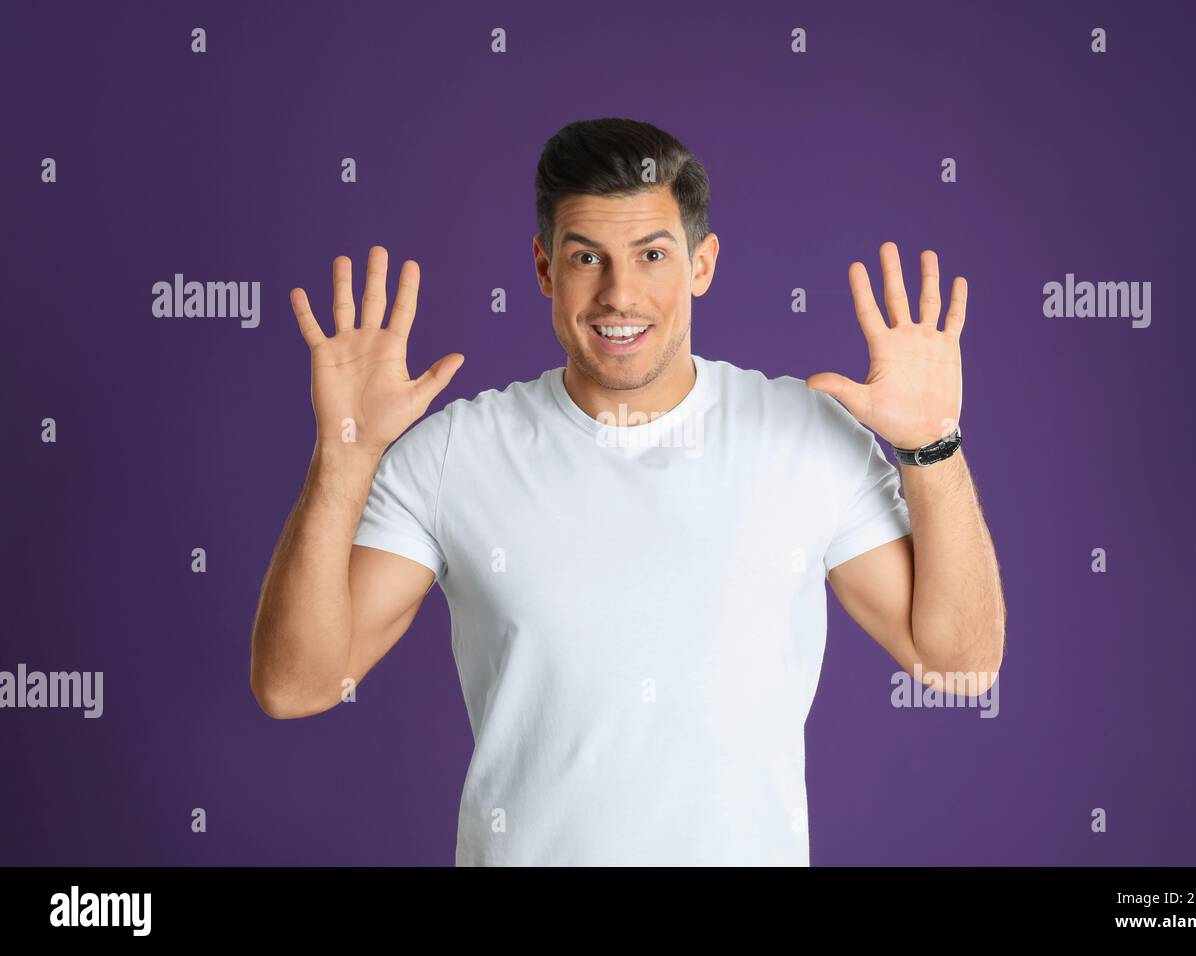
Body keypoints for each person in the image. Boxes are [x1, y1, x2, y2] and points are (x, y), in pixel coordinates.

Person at [249, 117, 1006, 866]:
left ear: (701, 265)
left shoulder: (805, 438)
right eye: (587, 257)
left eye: (652, 254)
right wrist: (343, 458)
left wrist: (931, 447)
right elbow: (297, 685)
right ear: (545, 269)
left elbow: (963, 664)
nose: (620, 293)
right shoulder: (455, 453)